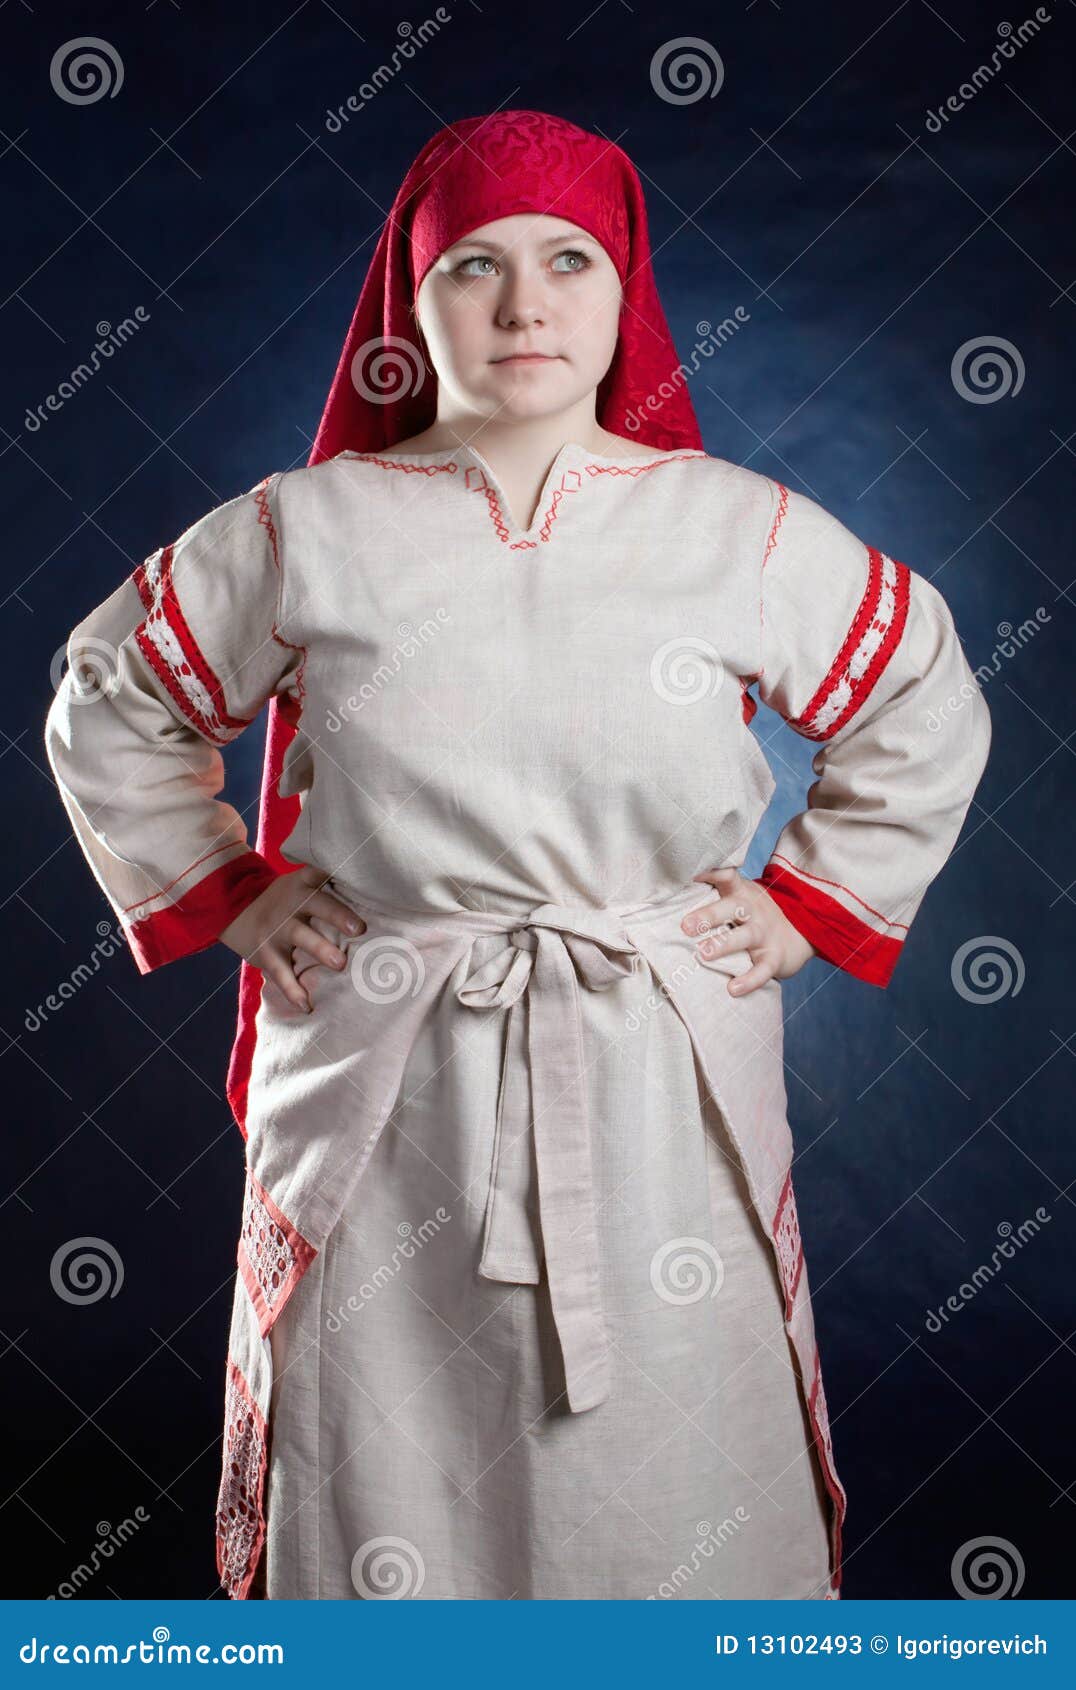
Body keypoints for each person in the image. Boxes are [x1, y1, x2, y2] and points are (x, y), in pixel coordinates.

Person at [43, 108, 991, 1602]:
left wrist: (810, 903)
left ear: (625, 293)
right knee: (383, 1432)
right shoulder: (309, 527)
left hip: (656, 1049)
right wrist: (235, 892)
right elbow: (112, 697)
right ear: (411, 306)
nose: (524, 303)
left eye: (568, 260)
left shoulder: (732, 530)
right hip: (386, 1048)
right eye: (473, 266)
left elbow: (918, 691)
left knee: (673, 1430)